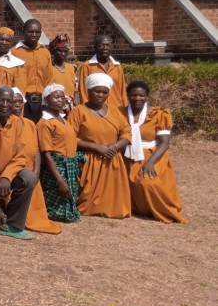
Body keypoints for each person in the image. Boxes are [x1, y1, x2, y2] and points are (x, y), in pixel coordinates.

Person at [67, 73, 131, 218]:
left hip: (112, 158)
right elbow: (70, 139)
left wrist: (115, 146)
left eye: (104, 92)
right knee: (88, 198)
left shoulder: (114, 110)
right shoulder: (78, 112)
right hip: (90, 160)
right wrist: (97, 148)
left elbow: (127, 132)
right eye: (97, 91)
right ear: (89, 91)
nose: (101, 95)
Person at [123, 81, 186, 224]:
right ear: (127, 96)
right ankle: (139, 208)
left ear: (147, 96)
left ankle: (164, 210)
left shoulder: (158, 115)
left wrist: (150, 162)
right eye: (133, 95)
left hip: (152, 155)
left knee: (148, 183)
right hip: (128, 154)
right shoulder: (121, 113)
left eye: (141, 95)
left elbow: (164, 143)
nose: (137, 98)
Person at [10, 87, 63, 235]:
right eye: (14, 102)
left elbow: (37, 149)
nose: (17, 105)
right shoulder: (6, 123)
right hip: (15, 170)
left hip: (32, 170)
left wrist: (37, 170)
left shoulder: (30, 123)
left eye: (20, 102)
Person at [0, 87, 37, 240]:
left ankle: (13, 224)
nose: (4, 104)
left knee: (28, 177)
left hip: (3, 178)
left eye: (9, 101)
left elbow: (20, 156)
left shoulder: (16, 123)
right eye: (0, 100)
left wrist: (7, 177)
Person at [37, 83, 84, 223]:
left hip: (69, 164)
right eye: (56, 97)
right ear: (46, 100)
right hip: (56, 167)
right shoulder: (45, 123)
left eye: (62, 97)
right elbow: (46, 154)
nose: (60, 100)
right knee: (57, 199)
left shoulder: (63, 120)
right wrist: (60, 180)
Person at [11, 19, 52, 122]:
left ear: (40, 33)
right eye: (30, 31)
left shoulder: (45, 52)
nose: (34, 34)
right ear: (23, 32)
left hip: (42, 101)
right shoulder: (14, 52)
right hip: (22, 101)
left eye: (37, 32)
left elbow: (49, 77)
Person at [78, 34, 127, 110]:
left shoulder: (117, 67)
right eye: (101, 45)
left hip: (116, 109)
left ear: (112, 47)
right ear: (95, 48)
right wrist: (87, 111)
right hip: (95, 110)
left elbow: (122, 91)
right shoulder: (87, 66)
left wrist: (124, 108)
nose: (105, 48)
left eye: (108, 45)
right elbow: (83, 91)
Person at [0, 27, 26, 91]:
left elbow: (19, 90)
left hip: (6, 99)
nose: (4, 42)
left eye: (7, 40)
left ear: (12, 43)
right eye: (1, 39)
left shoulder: (17, 64)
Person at [49, 34, 77, 112]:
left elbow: (76, 90)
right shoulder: (48, 68)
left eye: (65, 51)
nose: (63, 53)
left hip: (71, 106)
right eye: (60, 51)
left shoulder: (73, 68)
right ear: (53, 51)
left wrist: (77, 107)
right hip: (55, 106)